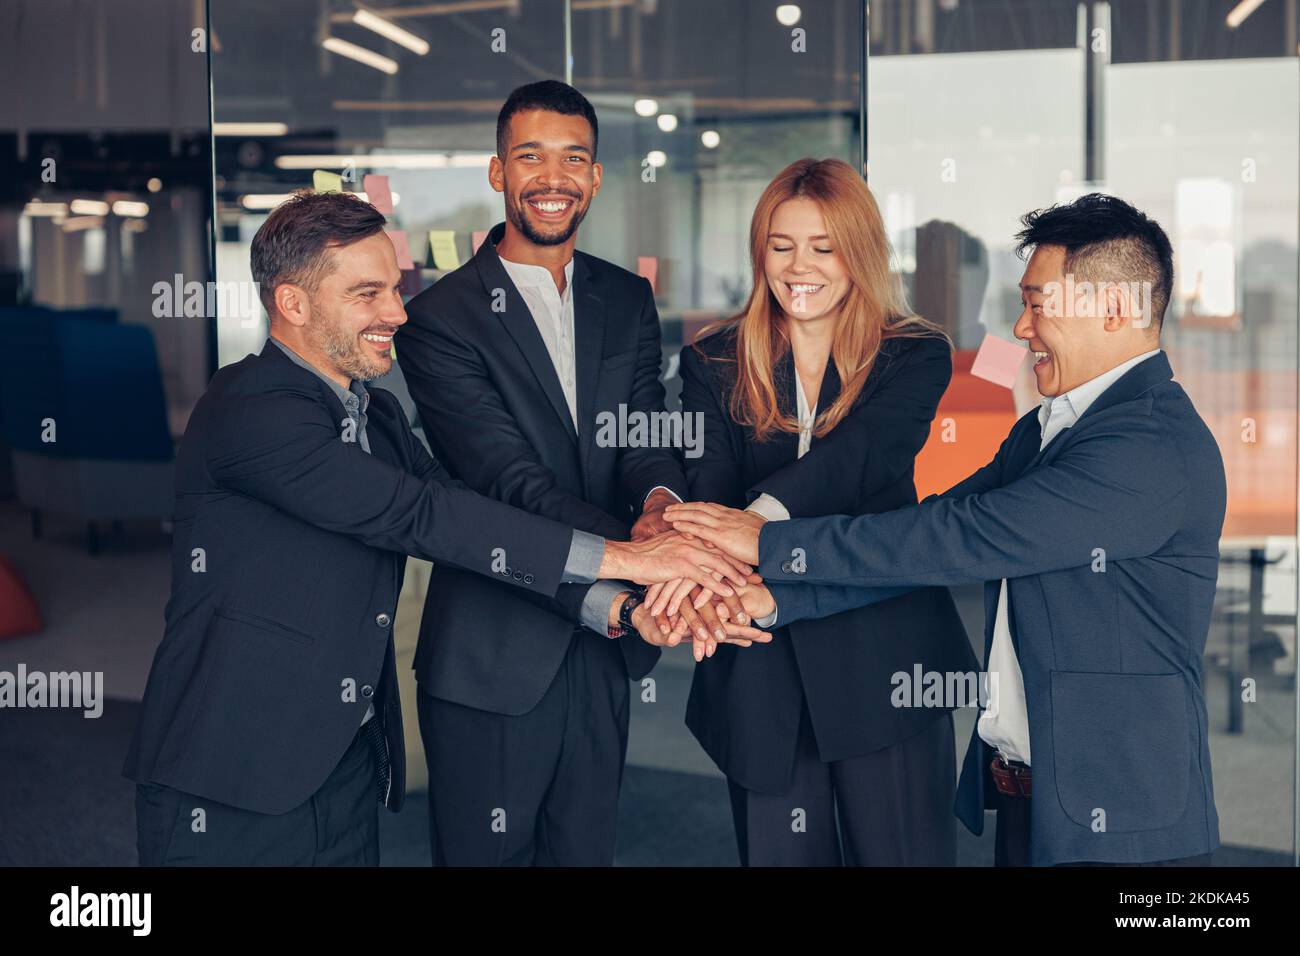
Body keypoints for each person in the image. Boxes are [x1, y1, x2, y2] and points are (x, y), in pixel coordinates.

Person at [125, 190, 749, 866]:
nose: (397, 312)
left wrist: (621, 608)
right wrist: (632, 558)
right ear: (292, 304)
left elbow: (478, 538)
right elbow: (424, 517)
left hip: (344, 760)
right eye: (368, 294)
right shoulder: (248, 409)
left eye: (394, 289)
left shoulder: (381, 420)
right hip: (230, 772)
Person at [668, 193, 1225, 867]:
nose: (1021, 328)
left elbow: (964, 538)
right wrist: (779, 597)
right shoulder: (1050, 429)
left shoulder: (1146, 446)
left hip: (1124, 819)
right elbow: (923, 535)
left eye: (1038, 304)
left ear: (1112, 309)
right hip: (1035, 796)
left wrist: (765, 542)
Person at [396, 81, 768, 867]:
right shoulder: (440, 320)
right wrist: (661, 556)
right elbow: (507, 482)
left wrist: (664, 506)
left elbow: (642, 430)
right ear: (498, 173)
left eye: (573, 159)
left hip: (607, 640)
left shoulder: (626, 298)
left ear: (596, 178)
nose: (552, 177)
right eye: (530, 156)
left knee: (583, 852)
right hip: (494, 652)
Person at [675, 158, 974, 865]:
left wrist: (757, 524)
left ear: (859, 252)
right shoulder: (714, 358)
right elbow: (707, 484)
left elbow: (864, 457)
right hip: (757, 658)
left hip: (881, 655)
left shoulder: (913, 353)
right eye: (782, 245)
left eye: (824, 246)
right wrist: (715, 583)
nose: (798, 265)